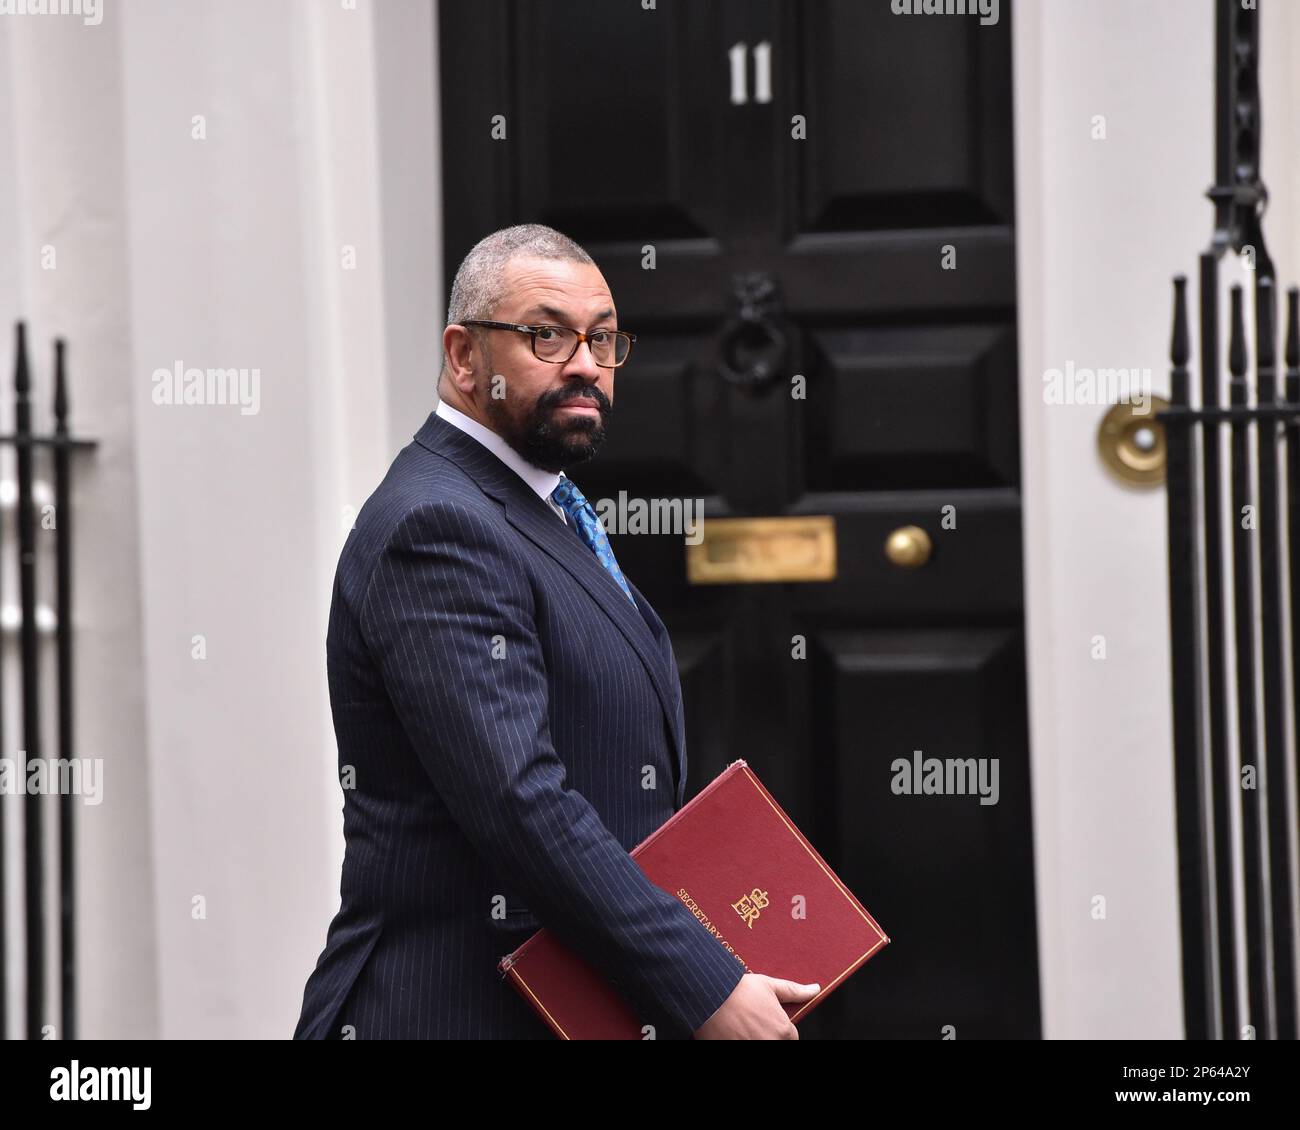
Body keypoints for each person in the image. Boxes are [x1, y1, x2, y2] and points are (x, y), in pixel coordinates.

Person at [293, 223, 818, 1039]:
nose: (584, 363)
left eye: (602, 339)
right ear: (464, 357)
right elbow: (519, 802)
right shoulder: (438, 523)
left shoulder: (538, 506)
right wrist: (701, 984)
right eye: (546, 334)